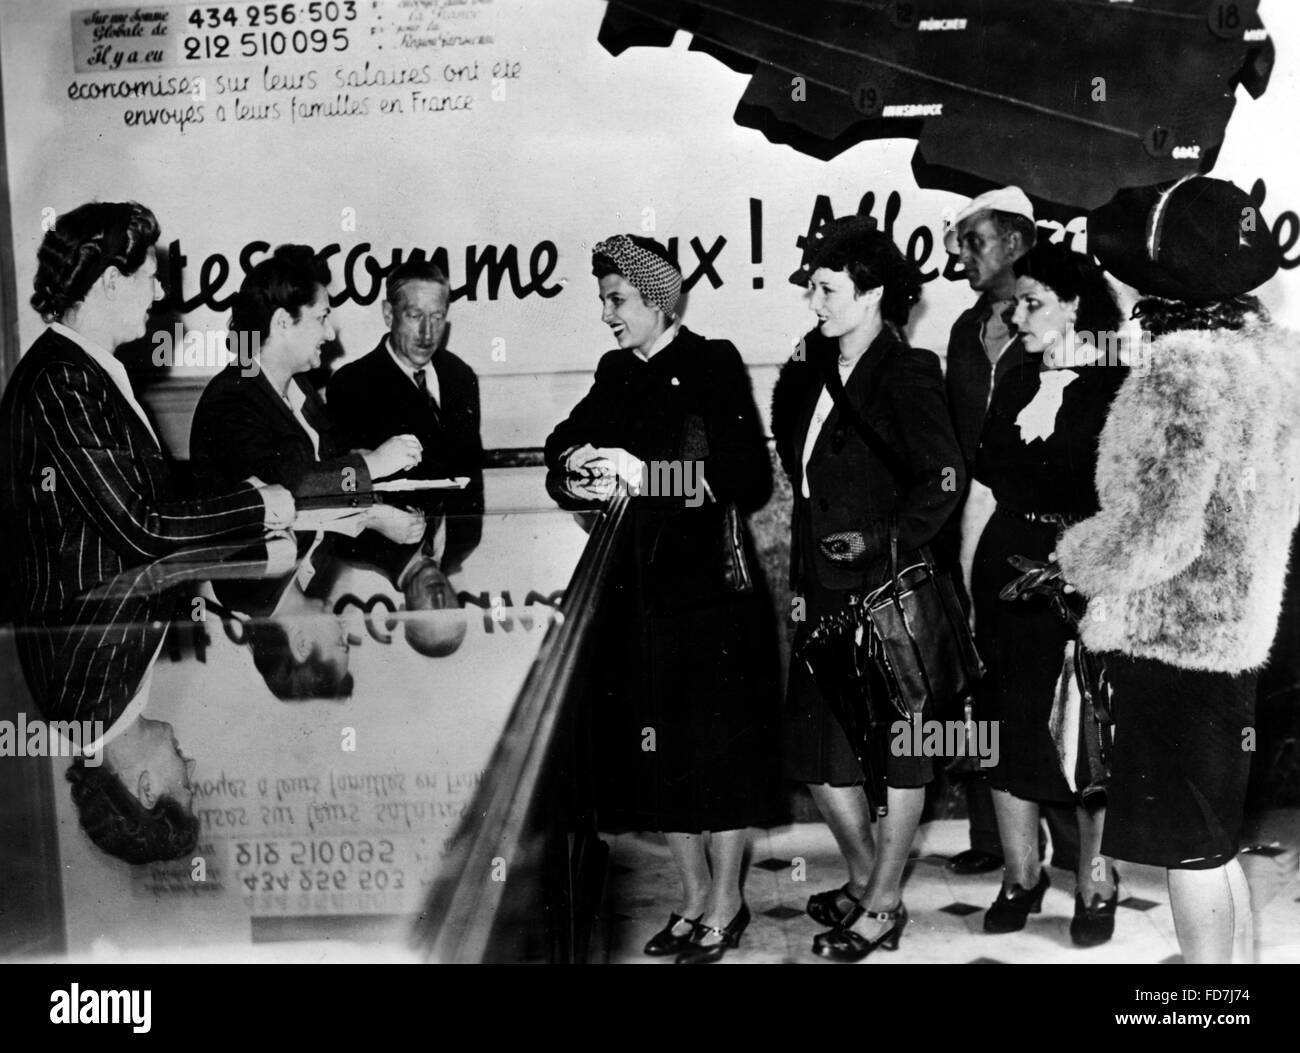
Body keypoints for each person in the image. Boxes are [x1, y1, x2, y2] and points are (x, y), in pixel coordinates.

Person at [1054, 176, 1299, 962]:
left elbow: (1158, 534)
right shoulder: (1273, 358)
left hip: (1175, 641)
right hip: (1242, 632)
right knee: (1216, 843)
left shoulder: (1178, 370)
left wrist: (1073, 561)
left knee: (1193, 854)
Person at [544, 233, 780, 964]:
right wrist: (575, 463)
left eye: (617, 300)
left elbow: (745, 477)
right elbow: (561, 443)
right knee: (663, 752)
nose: (607, 315)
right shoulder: (617, 371)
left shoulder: (712, 362)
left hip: (712, 595)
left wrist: (646, 476)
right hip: (639, 599)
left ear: (657, 298)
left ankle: (728, 898)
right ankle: (688, 895)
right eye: (604, 301)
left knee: (721, 752)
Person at [770, 215, 964, 961]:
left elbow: (944, 480)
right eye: (811, 287)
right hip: (824, 591)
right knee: (820, 751)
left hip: (888, 593)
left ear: (873, 292)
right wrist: (799, 580)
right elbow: (807, 487)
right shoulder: (813, 369)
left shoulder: (909, 371)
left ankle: (882, 903)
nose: (813, 301)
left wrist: (881, 539)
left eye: (826, 288)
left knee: (901, 747)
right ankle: (864, 876)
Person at [0, 201, 293, 626]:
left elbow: (146, 504)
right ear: (113, 282)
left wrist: (238, 497)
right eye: (152, 279)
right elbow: (142, 526)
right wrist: (252, 504)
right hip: (86, 659)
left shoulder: (83, 370)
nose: (159, 294)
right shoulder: (64, 379)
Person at [971, 239, 1128, 947]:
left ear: (1076, 307)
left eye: (1033, 304)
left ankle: (1096, 877)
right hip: (1004, 568)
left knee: (1081, 732)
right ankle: (1020, 872)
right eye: (1016, 304)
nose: (1019, 317)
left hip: (1076, 575)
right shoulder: (1012, 378)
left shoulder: (1118, 382)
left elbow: (1125, 504)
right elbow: (986, 483)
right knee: (1001, 724)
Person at [939, 186, 1079, 878]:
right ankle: (995, 836)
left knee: (1052, 684)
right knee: (981, 672)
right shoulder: (965, 330)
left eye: (974, 241)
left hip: (1044, 526)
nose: (961, 256)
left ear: (1019, 243)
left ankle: (1080, 849)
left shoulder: (1060, 320)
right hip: (974, 514)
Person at [190, 244, 423, 499]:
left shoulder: (299, 387)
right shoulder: (231, 398)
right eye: (322, 318)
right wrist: (372, 466)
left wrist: (360, 457)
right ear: (283, 322)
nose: (330, 334)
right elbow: (283, 487)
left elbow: (321, 467)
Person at [328, 259, 483, 481]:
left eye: (437, 317)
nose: (427, 333)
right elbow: (347, 482)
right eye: (415, 316)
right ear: (388, 313)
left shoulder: (460, 375)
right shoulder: (352, 384)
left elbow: (471, 471)